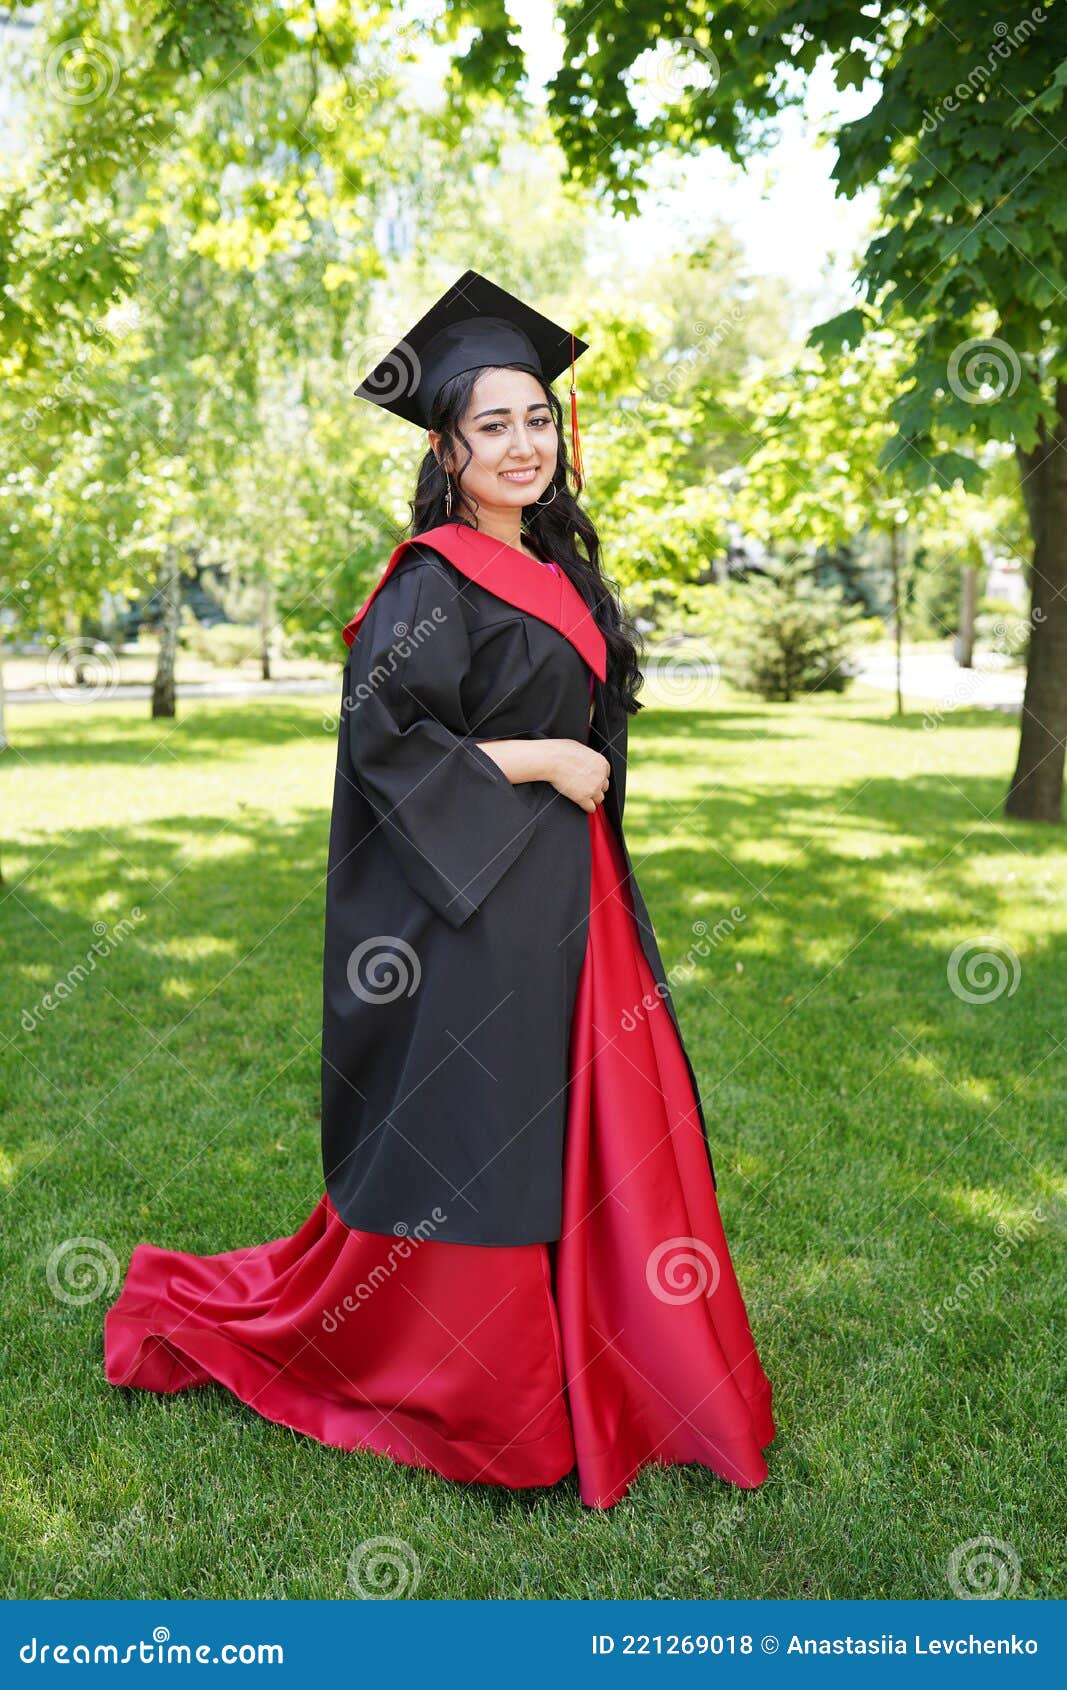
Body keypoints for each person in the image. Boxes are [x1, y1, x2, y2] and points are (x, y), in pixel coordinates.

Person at [104, 270, 775, 1509]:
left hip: (570, 895)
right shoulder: (431, 578)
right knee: (489, 1126)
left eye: (537, 421)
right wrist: (533, 756)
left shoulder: (561, 568)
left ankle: (614, 1360)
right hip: (475, 912)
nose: (521, 445)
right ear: (446, 446)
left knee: (596, 1125)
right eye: (492, 426)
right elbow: (384, 744)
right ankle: (484, 1394)